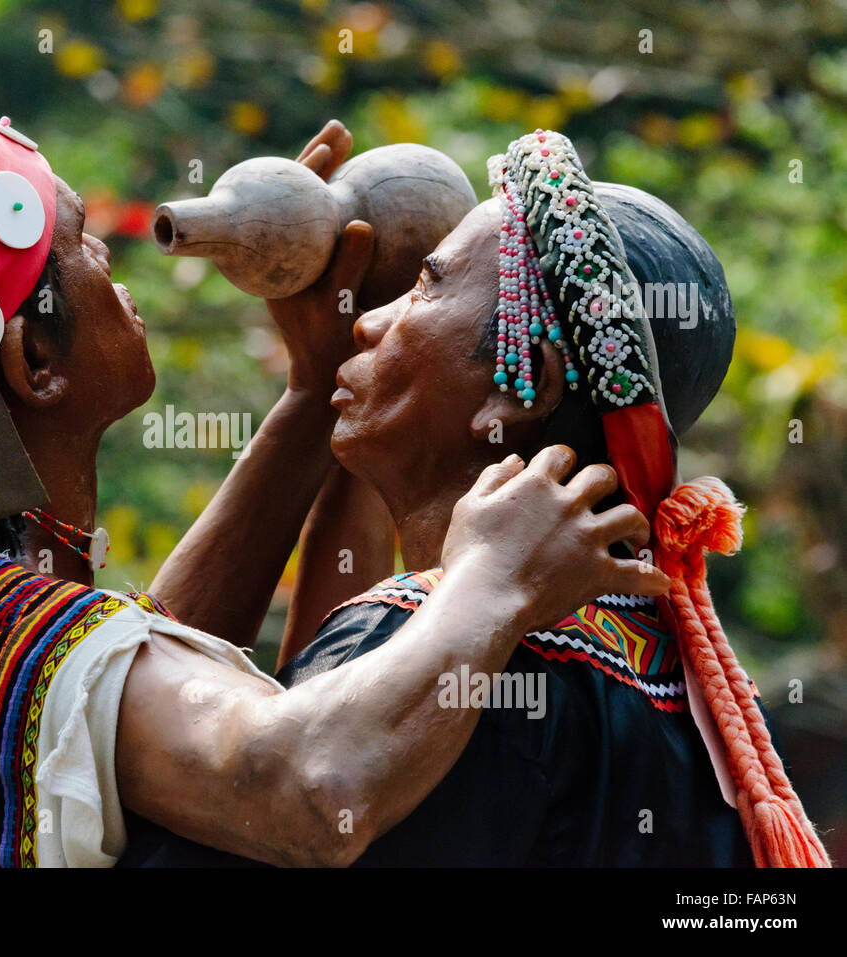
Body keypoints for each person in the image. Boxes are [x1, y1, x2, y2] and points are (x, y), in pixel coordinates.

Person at [0, 107, 666, 867]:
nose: (116, 266)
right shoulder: (30, 656)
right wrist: (489, 582)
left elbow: (130, 670)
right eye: (84, 242)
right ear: (32, 357)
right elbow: (310, 783)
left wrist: (311, 399)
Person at [118, 129, 831, 867]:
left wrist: (318, 395)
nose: (370, 320)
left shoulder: (440, 643)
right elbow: (316, 706)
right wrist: (322, 386)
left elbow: (128, 744)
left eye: (426, 284)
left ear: (519, 382)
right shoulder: (681, 686)